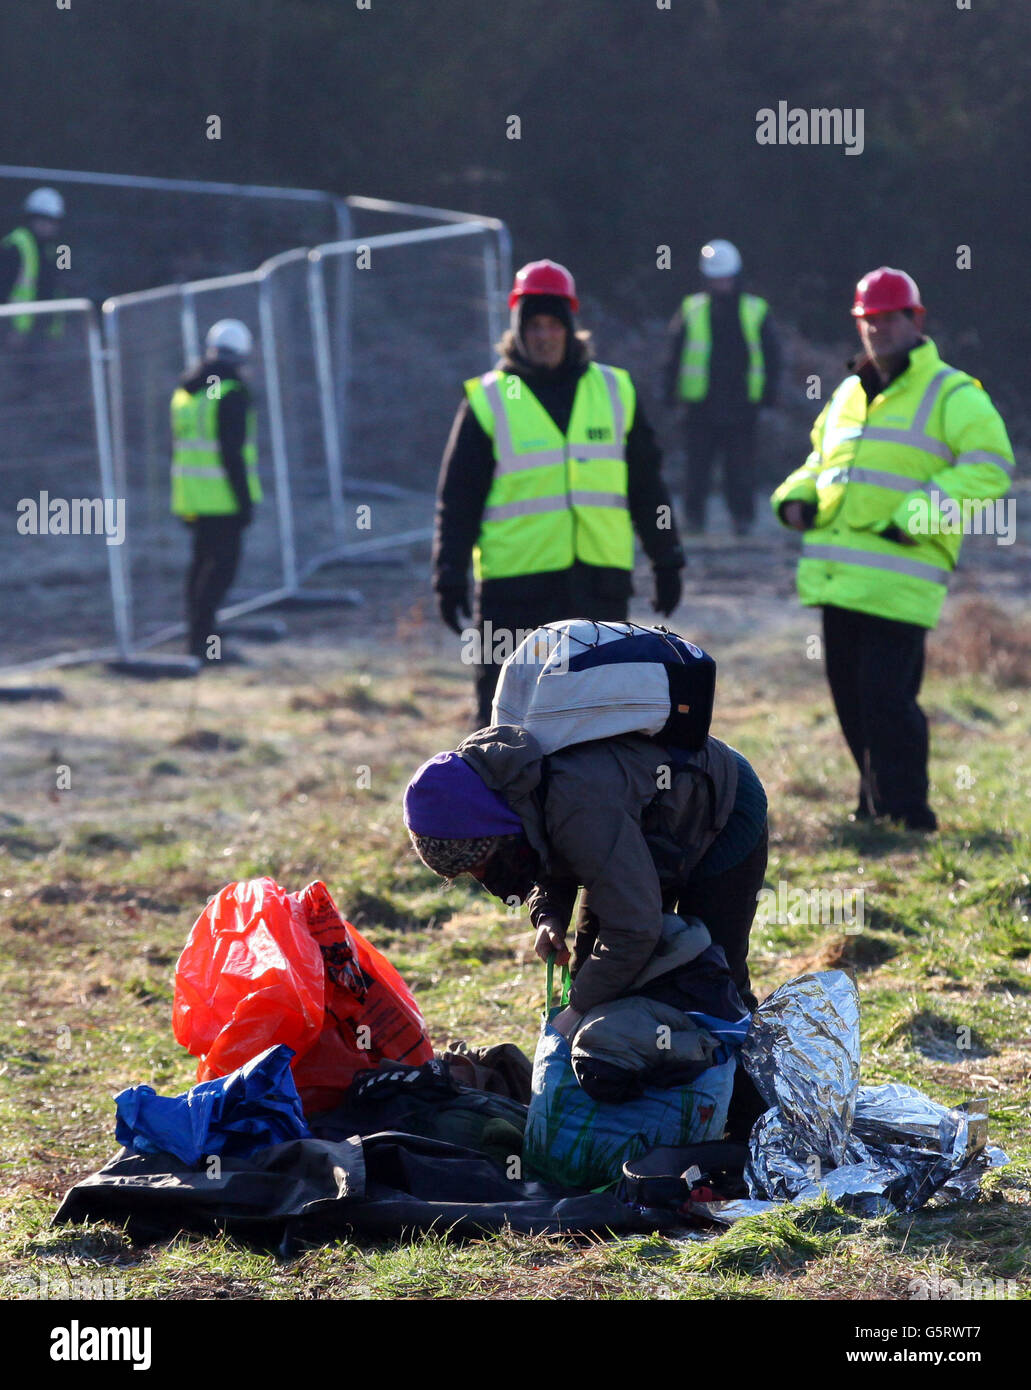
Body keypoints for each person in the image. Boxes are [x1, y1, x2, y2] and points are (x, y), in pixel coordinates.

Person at [402, 699, 769, 1140]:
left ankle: (754, 1127)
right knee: (593, 975)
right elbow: (548, 846)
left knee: (711, 983)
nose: (482, 878)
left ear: (491, 830)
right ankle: (620, 1128)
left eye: (479, 863)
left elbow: (633, 929)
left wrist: (575, 1011)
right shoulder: (505, 788)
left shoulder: (577, 802)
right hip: (643, 830)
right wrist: (549, 915)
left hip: (719, 812)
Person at [771, 267, 1014, 830]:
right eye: (868, 320)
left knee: (886, 702)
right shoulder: (847, 393)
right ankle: (874, 805)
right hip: (837, 579)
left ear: (916, 320)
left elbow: (992, 466)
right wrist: (794, 496)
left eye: (888, 318)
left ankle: (909, 815)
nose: (877, 329)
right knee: (852, 704)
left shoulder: (953, 392)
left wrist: (918, 517)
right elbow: (821, 461)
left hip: (901, 578)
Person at [433, 259, 685, 728]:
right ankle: (499, 803)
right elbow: (458, 499)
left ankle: (586, 802)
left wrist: (667, 556)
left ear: (570, 327)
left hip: (598, 585)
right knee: (503, 715)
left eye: (553, 324)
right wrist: (448, 571)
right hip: (513, 587)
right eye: (533, 325)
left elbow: (648, 485)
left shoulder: (615, 390)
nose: (544, 335)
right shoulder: (488, 400)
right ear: (518, 330)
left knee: (595, 712)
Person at [663, 239, 780, 535]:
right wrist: (669, 392)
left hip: (741, 405)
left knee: (740, 469)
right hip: (700, 404)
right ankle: (694, 520)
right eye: (716, 279)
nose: (721, 284)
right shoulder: (691, 309)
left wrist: (768, 394)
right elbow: (674, 354)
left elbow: (772, 355)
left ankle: (743, 519)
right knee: (697, 469)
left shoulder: (756, 310)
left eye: (725, 278)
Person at [170, 319, 262, 663]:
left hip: (191, 495)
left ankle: (200, 636)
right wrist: (244, 501)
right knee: (220, 571)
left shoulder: (186, 391)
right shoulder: (230, 392)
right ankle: (203, 643)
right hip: (222, 499)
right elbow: (231, 453)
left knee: (200, 567)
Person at [0, 187, 66, 344]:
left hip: (43, 332)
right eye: (43, 219)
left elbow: (56, 286)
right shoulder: (15, 245)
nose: (48, 226)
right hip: (15, 332)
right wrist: (7, 328)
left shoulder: (54, 250)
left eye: (53, 221)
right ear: (31, 219)